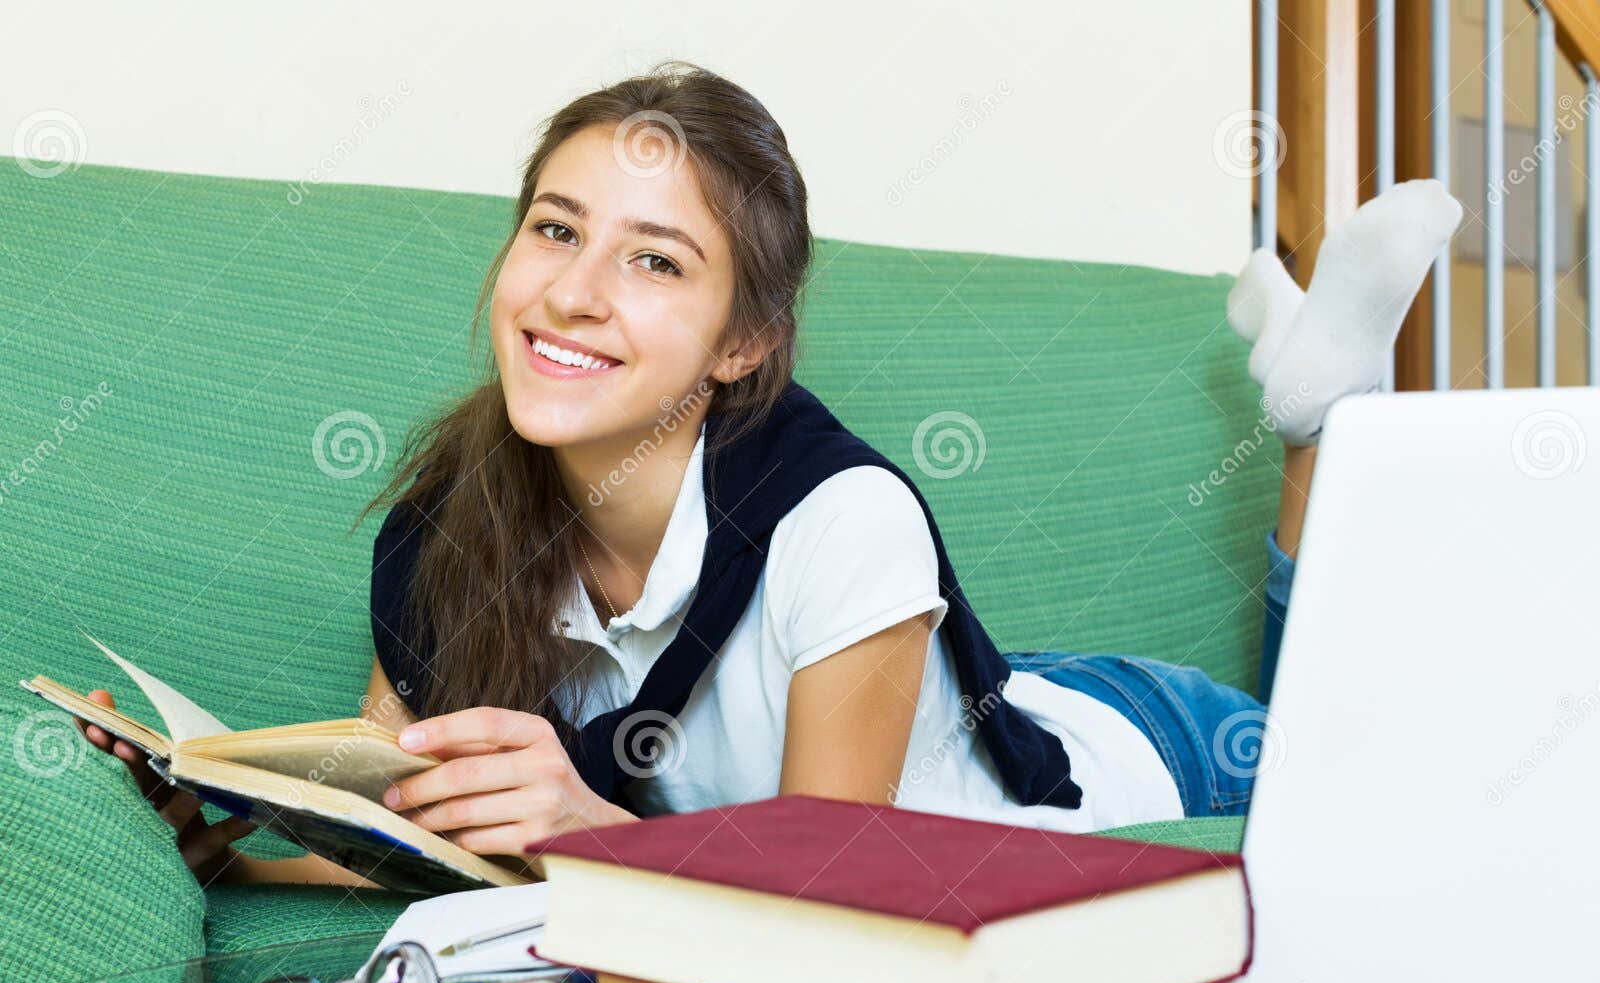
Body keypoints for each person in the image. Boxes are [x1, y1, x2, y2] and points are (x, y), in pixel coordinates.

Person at [76, 63, 1462, 886]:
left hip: (1117, 747)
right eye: (555, 229)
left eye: (655, 260)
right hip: (914, 686)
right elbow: (415, 834)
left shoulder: (844, 519)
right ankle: (1315, 406)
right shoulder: (448, 525)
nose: (572, 293)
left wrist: (587, 823)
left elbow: (831, 893)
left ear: (742, 343)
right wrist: (236, 836)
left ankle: (1315, 418)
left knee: (1378, 764)